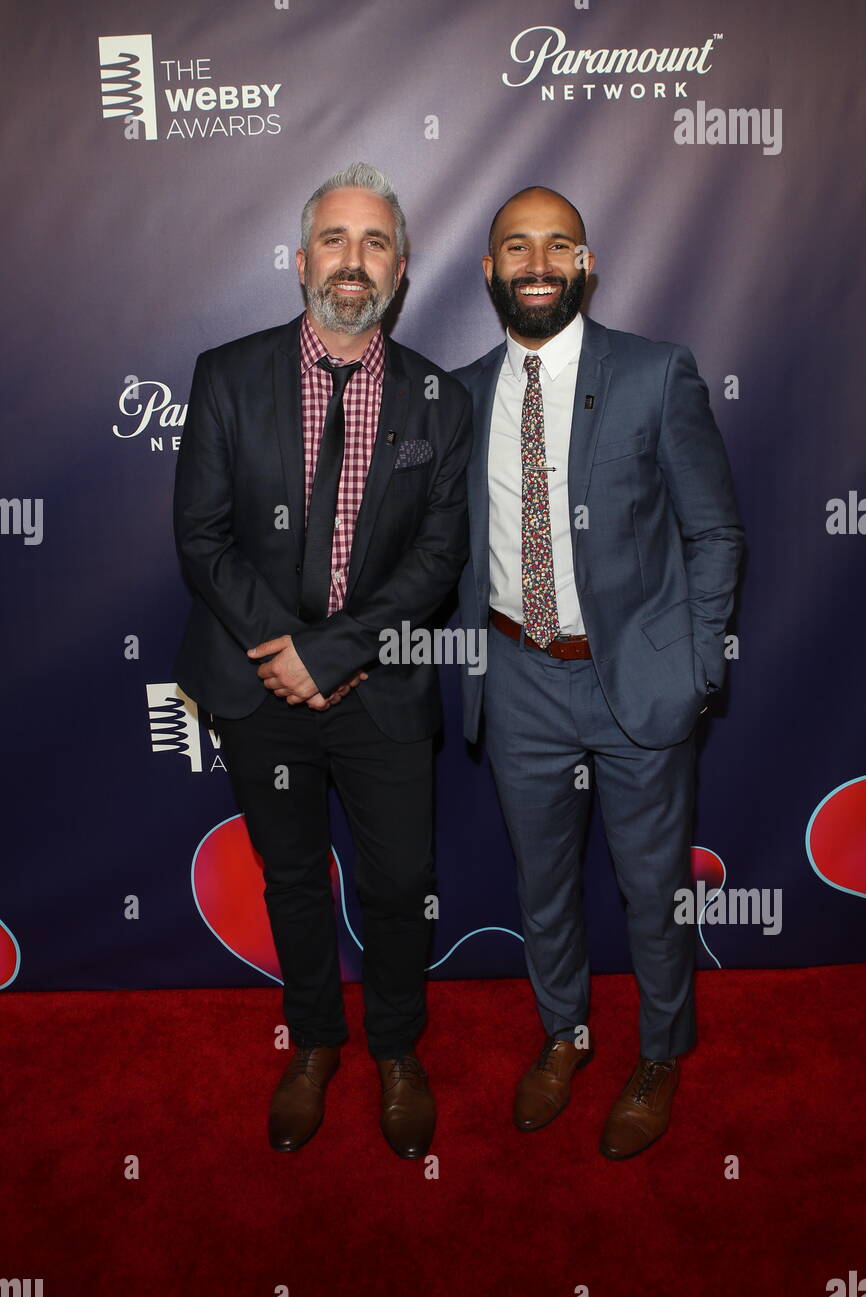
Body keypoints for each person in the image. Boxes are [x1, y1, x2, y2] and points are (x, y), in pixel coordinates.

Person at [173, 163, 471, 1159]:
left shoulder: (436, 398)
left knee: (399, 881)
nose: (353, 262)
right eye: (335, 241)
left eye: (375, 242)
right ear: (301, 261)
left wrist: (335, 652)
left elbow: (437, 559)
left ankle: (393, 1046)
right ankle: (311, 1043)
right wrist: (287, 654)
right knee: (292, 876)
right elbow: (203, 535)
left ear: (400, 268)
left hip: (379, 685)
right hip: (258, 686)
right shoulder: (226, 373)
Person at [454, 186, 743, 1159]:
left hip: (635, 688)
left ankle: (657, 1053)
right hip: (517, 679)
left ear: (584, 264)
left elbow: (712, 530)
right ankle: (563, 1035)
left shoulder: (655, 374)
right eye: (515, 248)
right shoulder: (456, 395)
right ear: (488, 270)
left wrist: (696, 663)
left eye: (557, 245)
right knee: (543, 890)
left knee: (651, 889)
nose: (536, 262)